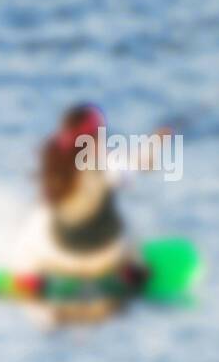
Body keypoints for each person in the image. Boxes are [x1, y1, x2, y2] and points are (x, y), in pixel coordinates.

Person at [13, 104, 151, 323]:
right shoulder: (108, 162)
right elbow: (139, 165)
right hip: (106, 258)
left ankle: (35, 290)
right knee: (125, 223)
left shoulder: (53, 159)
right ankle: (130, 272)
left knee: (40, 217)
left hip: (57, 257)